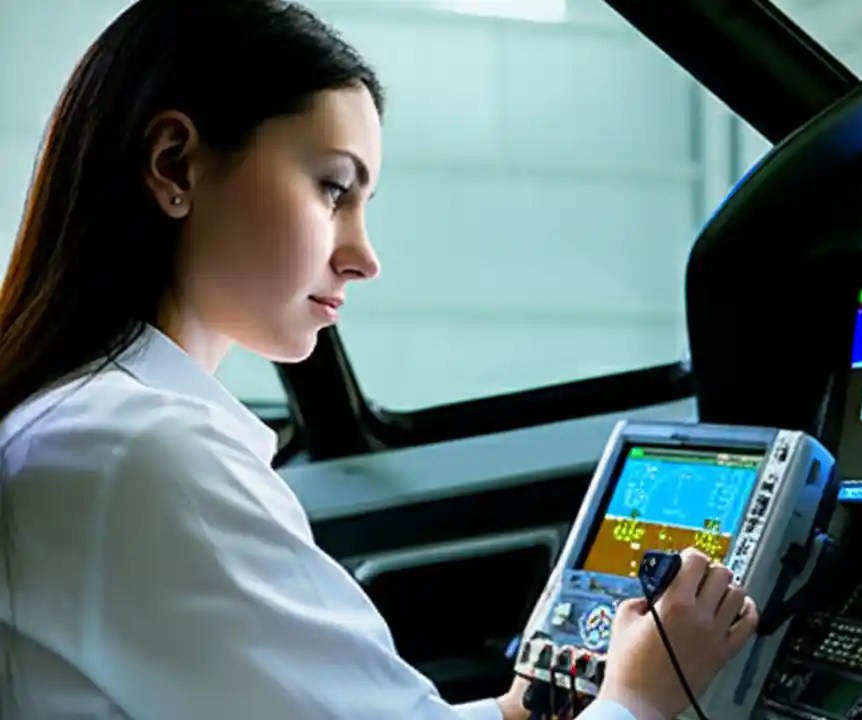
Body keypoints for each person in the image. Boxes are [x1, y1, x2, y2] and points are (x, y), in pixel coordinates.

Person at [0, 1, 760, 719]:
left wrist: (516, 708)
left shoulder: (85, 429)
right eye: (334, 189)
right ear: (175, 166)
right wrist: (644, 696)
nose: (364, 257)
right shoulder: (137, 452)